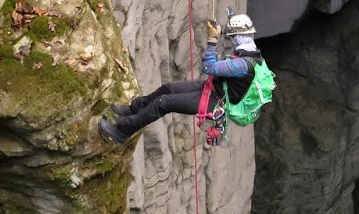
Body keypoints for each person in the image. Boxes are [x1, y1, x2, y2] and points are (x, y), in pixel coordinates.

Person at [98, 13, 270, 145]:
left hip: (216, 101)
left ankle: (121, 132)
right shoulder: (252, 54)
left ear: (238, 37)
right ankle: (134, 109)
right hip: (214, 90)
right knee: (167, 89)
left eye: (232, 37)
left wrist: (212, 41)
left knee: (163, 103)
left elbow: (209, 68)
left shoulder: (243, 64)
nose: (231, 40)